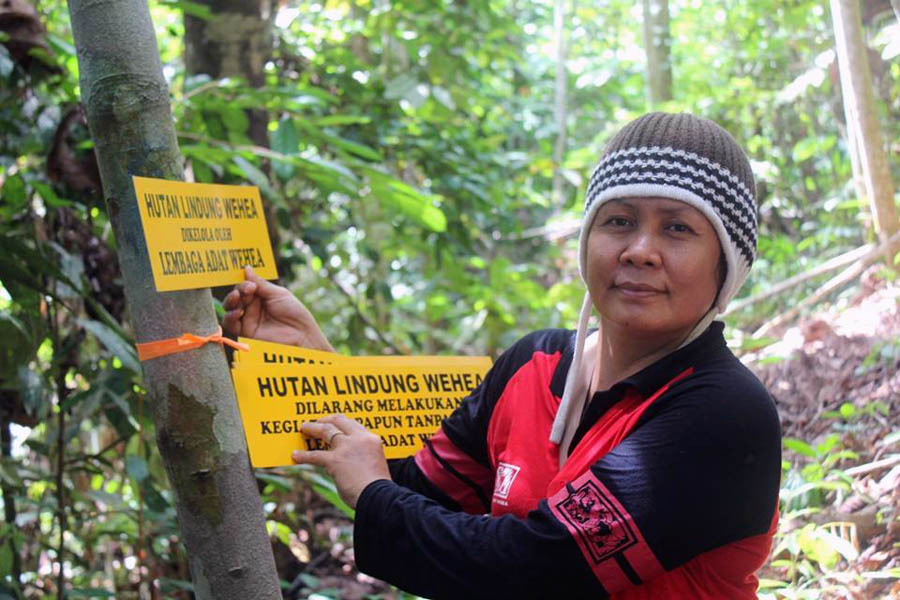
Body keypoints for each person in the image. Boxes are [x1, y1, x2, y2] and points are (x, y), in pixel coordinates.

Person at [223, 112, 781, 599]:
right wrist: (316, 372)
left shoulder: (723, 413)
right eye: (619, 220)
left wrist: (373, 494)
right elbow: (419, 491)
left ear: (726, 266)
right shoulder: (535, 363)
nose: (640, 251)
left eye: (677, 228)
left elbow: (537, 568)